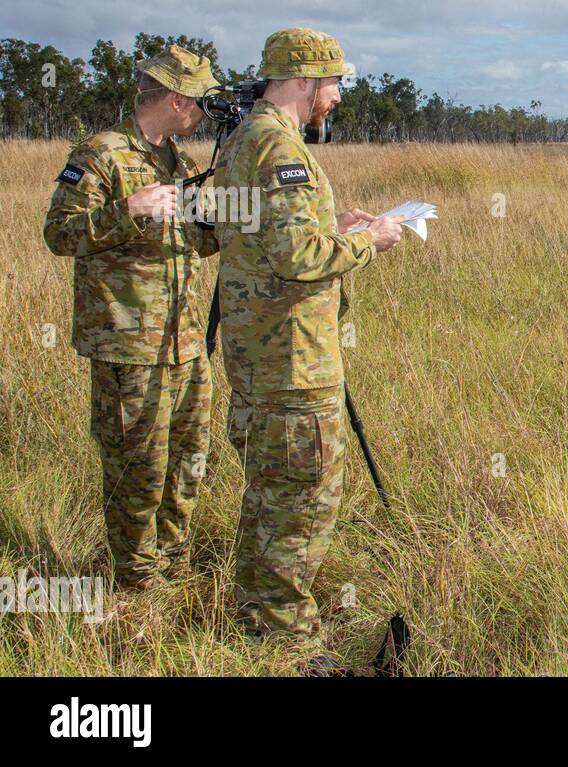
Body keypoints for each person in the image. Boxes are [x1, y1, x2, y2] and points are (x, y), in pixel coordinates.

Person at [213, 27, 402, 638]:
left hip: (258, 355)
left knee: (271, 495)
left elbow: (264, 233)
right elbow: (297, 256)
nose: (339, 95)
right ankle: (284, 636)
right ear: (303, 80)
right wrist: (366, 240)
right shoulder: (280, 149)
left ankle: (258, 617)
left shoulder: (247, 139)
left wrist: (332, 222)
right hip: (291, 361)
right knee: (301, 502)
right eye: (334, 82)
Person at [43, 45, 221, 590]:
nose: (202, 116)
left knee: (188, 462)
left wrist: (246, 222)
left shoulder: (182, 161)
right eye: (198, 104)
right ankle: (137, 580)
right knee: (137, 470)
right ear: (174, 98)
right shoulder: (101, 153)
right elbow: (59, 234)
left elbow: (196, 238)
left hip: (187, 344)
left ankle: (173, 563)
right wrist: (128, 210)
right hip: (128, 346)